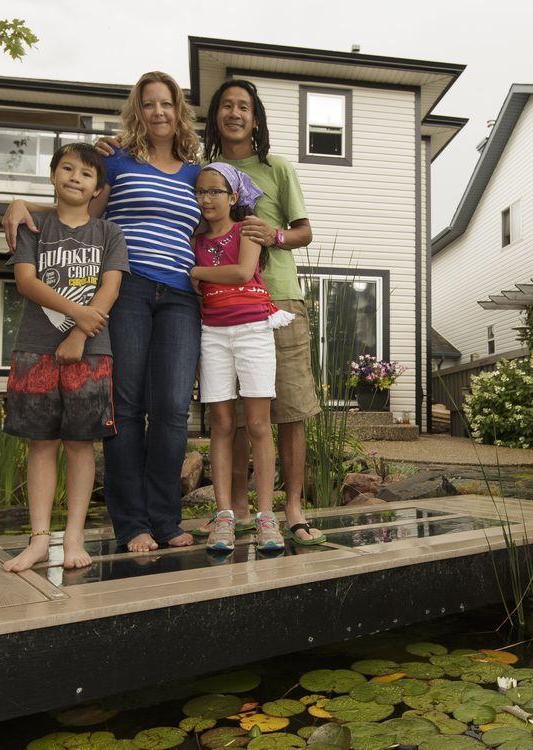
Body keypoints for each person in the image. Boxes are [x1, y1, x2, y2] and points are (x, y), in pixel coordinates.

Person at [2, 71, 202, 553]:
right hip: (126, 290)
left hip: (180, 296)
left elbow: (220, 221)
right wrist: (16, 202)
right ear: (138, 111)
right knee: (127, 409)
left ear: (179, 112)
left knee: (173, 410)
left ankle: (165, 518)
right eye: (149, 104)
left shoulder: (199, 174)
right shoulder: (117, 163)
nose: (158, 112)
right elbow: (74, 202)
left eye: (167, 104)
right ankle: (131, 524)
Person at [202, 79, 326, 545]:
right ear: (216, 116)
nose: (235, 113)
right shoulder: (205, 176)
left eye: (244, 107)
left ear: (256, 118)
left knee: (289, 409)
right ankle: (232, 510)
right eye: (227, 105)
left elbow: (304, 232)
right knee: (231, 415)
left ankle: (291, 508)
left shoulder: (276, 169)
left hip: (279, 299)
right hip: (224, 310)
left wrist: (272, 235)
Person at [2, 142, 129, 572]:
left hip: (91, 353)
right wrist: (76, 314)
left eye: (86, 173)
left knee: (80, 444)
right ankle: (39, 539)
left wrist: (78, 335)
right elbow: (25, 281)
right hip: (35, 349)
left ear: (98, 188)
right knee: (41, 444)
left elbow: (109, 289)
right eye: (67, 169)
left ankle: (74, 536)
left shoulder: (109, 233)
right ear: (53, 176)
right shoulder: (33, 226)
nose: (76, 177)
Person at [191, 163, 295, 552]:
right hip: (213, 333)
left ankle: (266, 514)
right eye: (200, 192)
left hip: (253, 330)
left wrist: (197, 271)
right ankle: (224, 515)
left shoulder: (246, 228)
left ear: (233, 196)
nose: (206, 199)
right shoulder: (195, 237)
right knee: (220, 422)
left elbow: (241, 272)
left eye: (215, 191)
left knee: (256, 423)